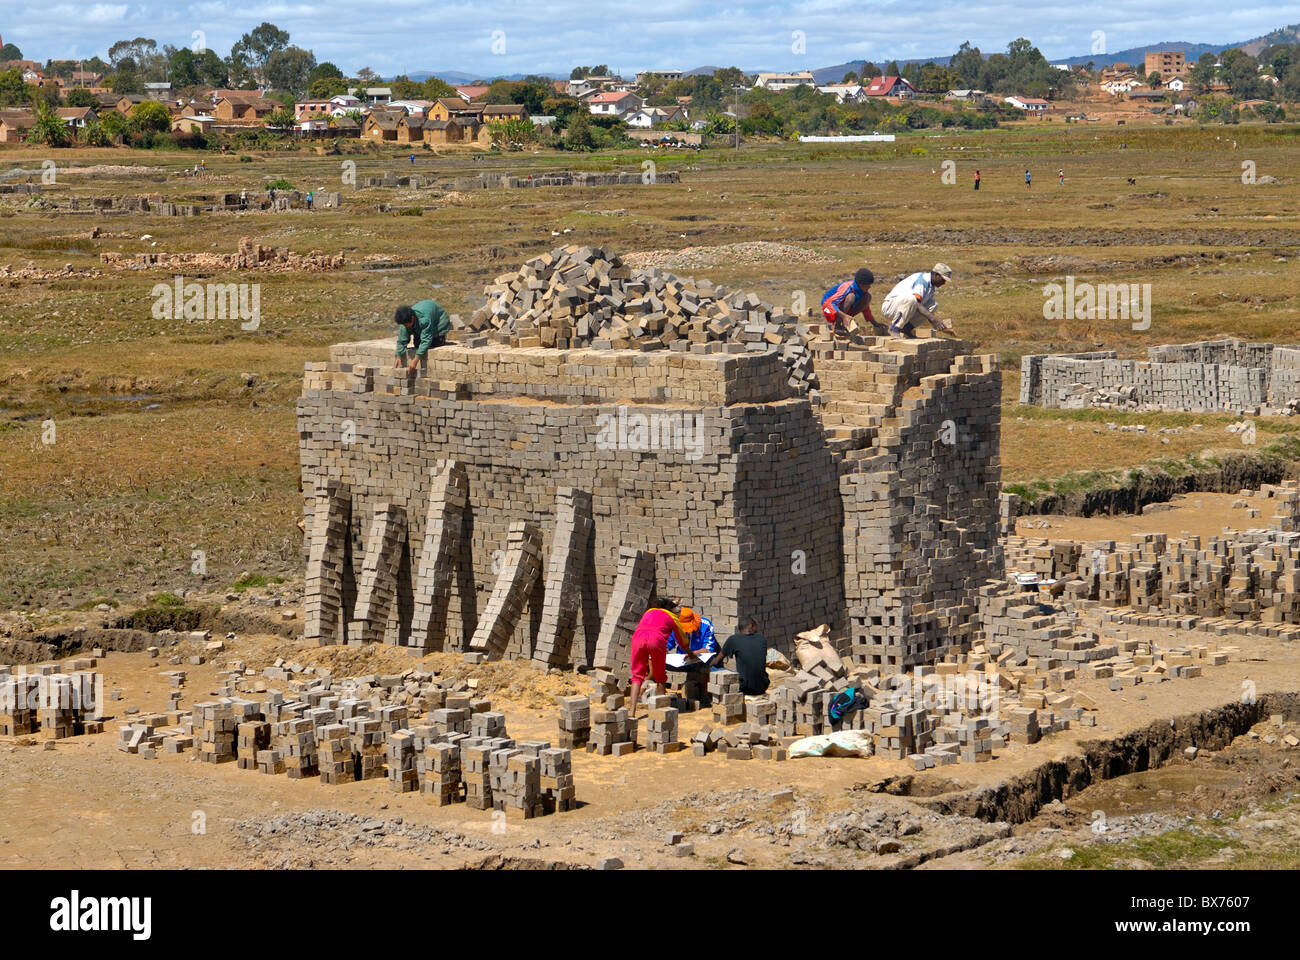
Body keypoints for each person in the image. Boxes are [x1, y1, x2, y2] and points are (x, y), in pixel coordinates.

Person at [628, 603, 689, 716]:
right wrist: (689, 652)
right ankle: (661, 711)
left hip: (638, 638)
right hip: (656, 640)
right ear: (671, 610)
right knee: (660, 676)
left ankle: (631, 711)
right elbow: (681, 638)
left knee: (636, 676)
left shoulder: (649, 611)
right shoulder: (672, 616)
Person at [881, 263, 954, 338]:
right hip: (890, 306)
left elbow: (927, 312)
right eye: (943, 279)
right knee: (912, 299)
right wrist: (933, 318)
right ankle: (894, 328)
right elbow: (917, 304)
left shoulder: (930, 287)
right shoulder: (922, 281)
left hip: (904, 308)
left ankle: (906, 328)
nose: (944, 283)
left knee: (933, 305)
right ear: (936, 275)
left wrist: (941, 327)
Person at [820, 267, 883, 339]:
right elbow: (829, 304)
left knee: (868, 297)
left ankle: (845, 323)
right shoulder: (847, 287)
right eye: (868, 284)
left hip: (840, 310)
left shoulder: (863, 292)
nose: (869, 287)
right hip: (828, 309)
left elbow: (865, 308)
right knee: (851, 297)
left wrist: (874, 323)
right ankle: (837, 326)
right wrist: (844, 316)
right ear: (861, 284)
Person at [394, 300, 451, 372]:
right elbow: (402, 341)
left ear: (412, 318)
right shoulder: (404, 322)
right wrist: (398, 355)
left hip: (438, 322)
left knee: (434, 343)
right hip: (422, 324)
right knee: (417, 345)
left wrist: (415, 360)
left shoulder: (424, 319)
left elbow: (426, 340)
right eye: (404, 325)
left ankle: (441, 337)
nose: (406, 326)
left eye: (407, 324)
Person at [720, 616, 769, 696]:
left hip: (745, 688)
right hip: (763, 686)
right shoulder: (762, 639)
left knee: (714, 669)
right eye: (756, 626)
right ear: (750, 626)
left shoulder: (733, 639)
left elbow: (718, 660)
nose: (757, 629)